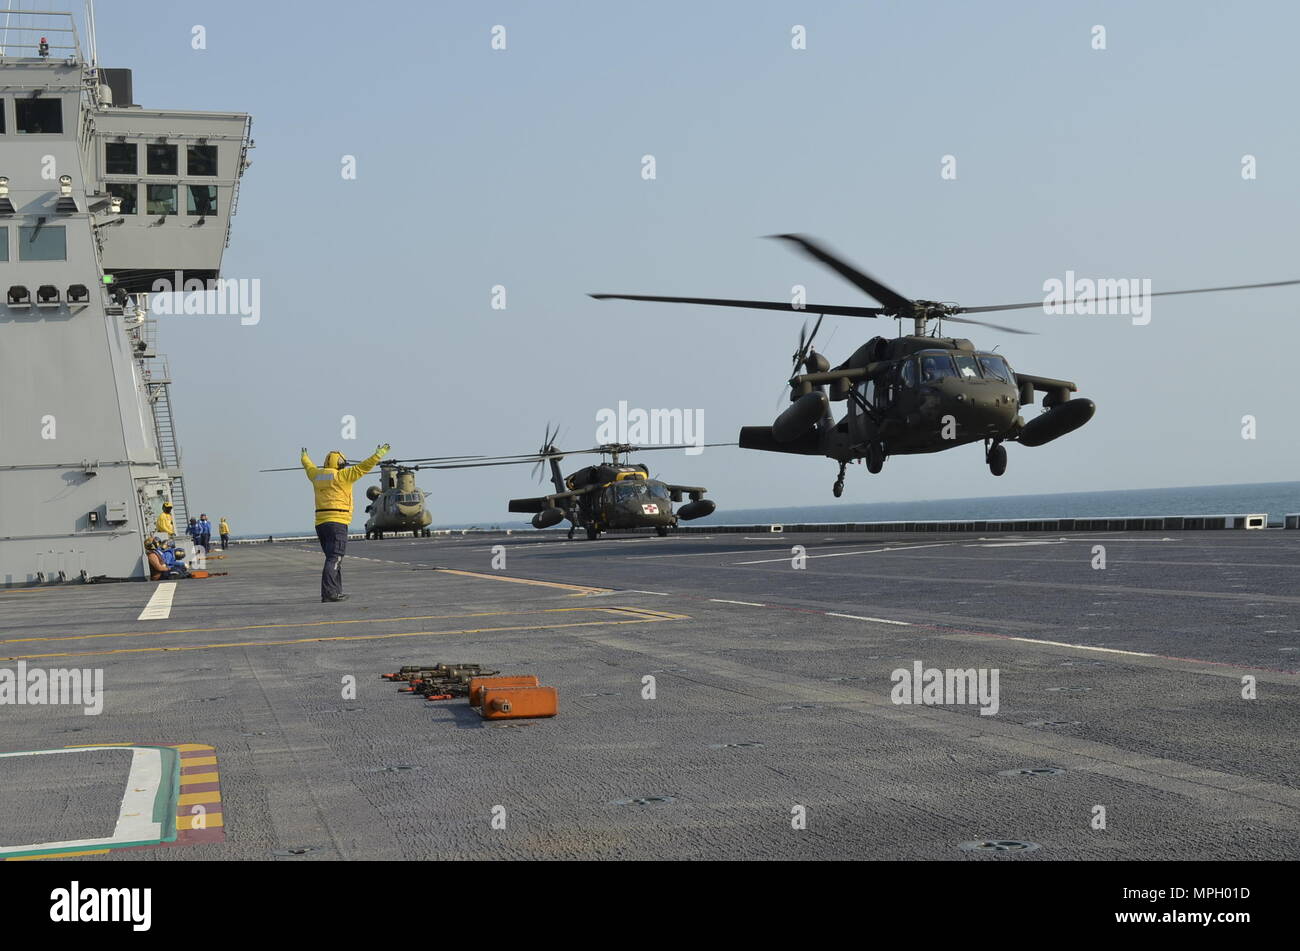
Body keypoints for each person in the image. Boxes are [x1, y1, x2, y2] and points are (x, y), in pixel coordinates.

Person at [302, 443, 389, 602]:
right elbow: (364, 467)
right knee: (335, 557)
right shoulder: (343, 476)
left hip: (321, 523)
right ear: (341, 464)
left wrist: (304, 457)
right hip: (337, 522)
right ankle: (329, 594)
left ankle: (335, 591)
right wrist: (379, 454)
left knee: (332, 558)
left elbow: (308, 467)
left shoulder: (316, 475)